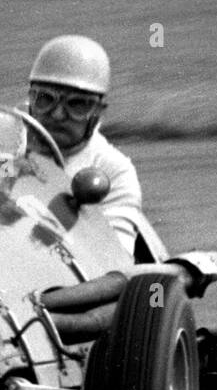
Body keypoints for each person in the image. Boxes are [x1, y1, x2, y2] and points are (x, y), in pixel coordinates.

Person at [26, 35, 145, 255]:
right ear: (30, 99)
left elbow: (114, 257)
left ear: (98, 111)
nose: (58, 114)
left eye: (77, 104)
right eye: (46, 98)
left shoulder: (111, 170)